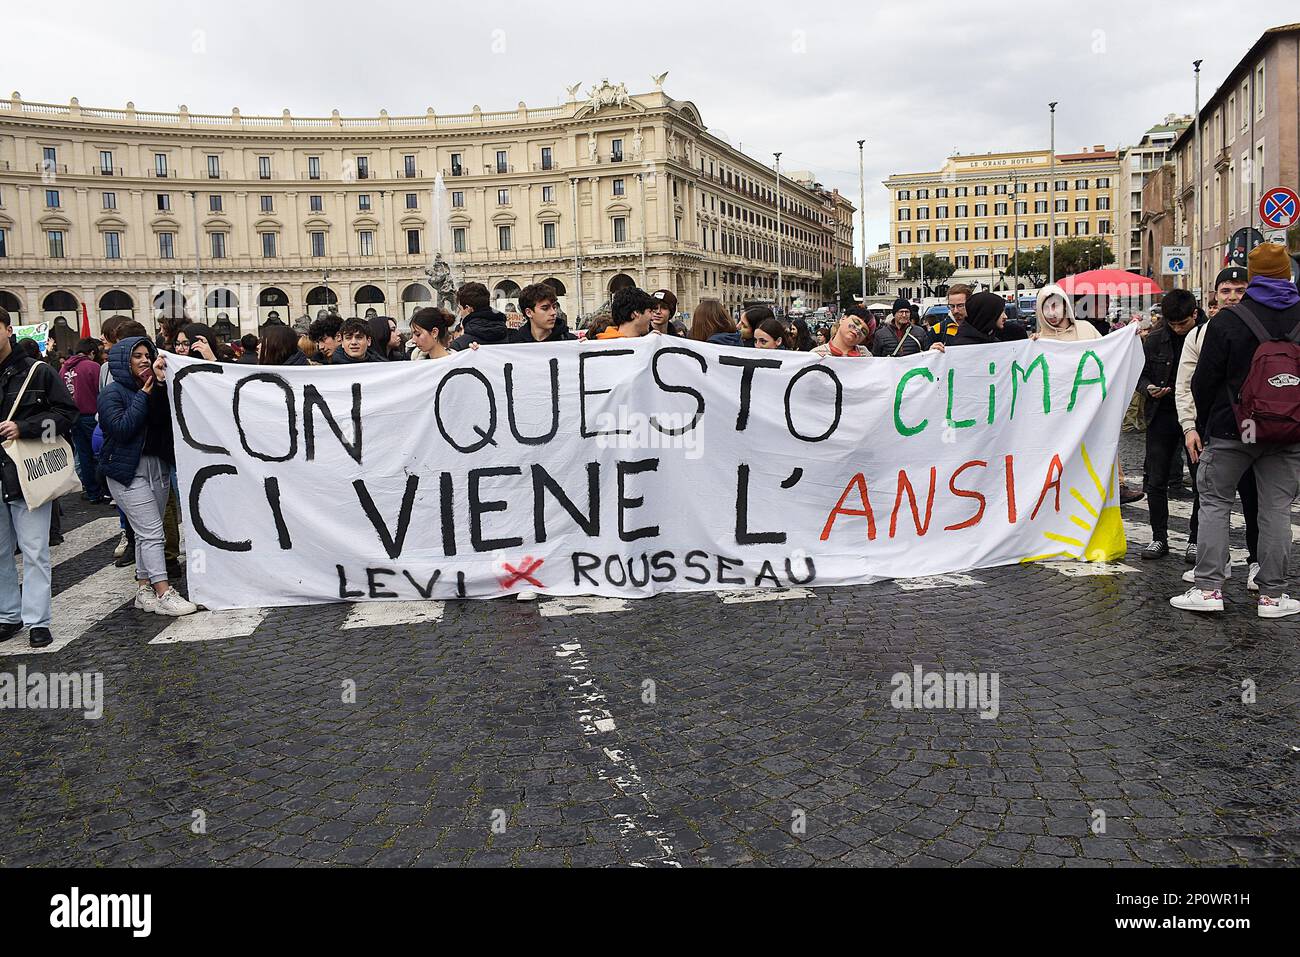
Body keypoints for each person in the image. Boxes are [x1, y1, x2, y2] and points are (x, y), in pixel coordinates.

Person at [1174, 243, 1300, 617]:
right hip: (1288, 431)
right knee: (1277, 510)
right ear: (1288, 275)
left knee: (1215, 503)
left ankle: (1209, 589)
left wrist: (1204, 422)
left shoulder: (1227, 321)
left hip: (1235, 428)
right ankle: (1273, 597)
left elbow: (1204, 381)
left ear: (1252, 277)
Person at [98, 335, 197, 617]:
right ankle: (164, 591)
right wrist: (144, 394)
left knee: (144, 535)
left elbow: (165, 423)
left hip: (158, 467)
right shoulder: (112, 393)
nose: (143, 360)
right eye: (137, 356)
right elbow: (121, 428)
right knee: (153, 531)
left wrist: (160, 387)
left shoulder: (158, 388)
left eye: (147, 355)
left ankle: (144, 588)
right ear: (123, 361)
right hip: (127, 472)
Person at [0, 308, 79, 648]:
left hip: (26, 473)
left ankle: (37, 621)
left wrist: (25, 428)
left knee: (34, 550)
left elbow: (65, 416)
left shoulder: (38, 371)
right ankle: (7, 616)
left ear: (8, 329)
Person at [1176, 265, 1259, 585]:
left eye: (1240, 290)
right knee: (1209, 500)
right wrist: (1190, 427)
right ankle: (1217, 562)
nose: (1233, 297)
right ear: (1215, 295)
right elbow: (1186, 386)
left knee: (1255, 500)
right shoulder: (1199, 334)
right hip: (1209, 431)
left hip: (1253, 430)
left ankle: (1257, 563)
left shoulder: (1260, 328)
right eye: (1226, 291)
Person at [1137, 289, 1199, 560]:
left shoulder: (1207, 335)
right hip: (1161, 413)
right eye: (1171, 324)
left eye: (1182, 324)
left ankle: (1196, 539)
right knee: (1156, 478)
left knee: (1201, 481)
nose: (1176, 329)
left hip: (1197, 416)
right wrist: (1148, 388)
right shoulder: (1154, 340)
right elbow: (1140, 373)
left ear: (1194, 315)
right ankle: (1158, 537)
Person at [61, 337, 105, 504]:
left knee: (84, 455)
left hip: (73, 417)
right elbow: (101, 391)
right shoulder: (93, 366)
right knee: (100, 453)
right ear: (92, 352)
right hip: (92, 416)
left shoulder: (64, 368)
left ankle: (92, 492)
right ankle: (106, 489)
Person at [507, 283, 576, 343]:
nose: (553, 312)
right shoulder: (514, 343)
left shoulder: (570, 341)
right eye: (545, 308)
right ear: (529, 312)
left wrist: (585, 347)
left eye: (554, 307)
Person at [1033, 284, 1101, 342]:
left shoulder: (1086, 329)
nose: (1051, 313)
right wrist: (1031, 344)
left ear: (1065, 305)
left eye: (1055, 305)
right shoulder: (1040, 340)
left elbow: (1105, 352)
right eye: (1046, 308)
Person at [450, 283, 509, 350]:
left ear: (468, 308)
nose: (460, 314)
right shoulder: (514, 338)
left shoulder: (459, 345)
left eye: (460, 309)